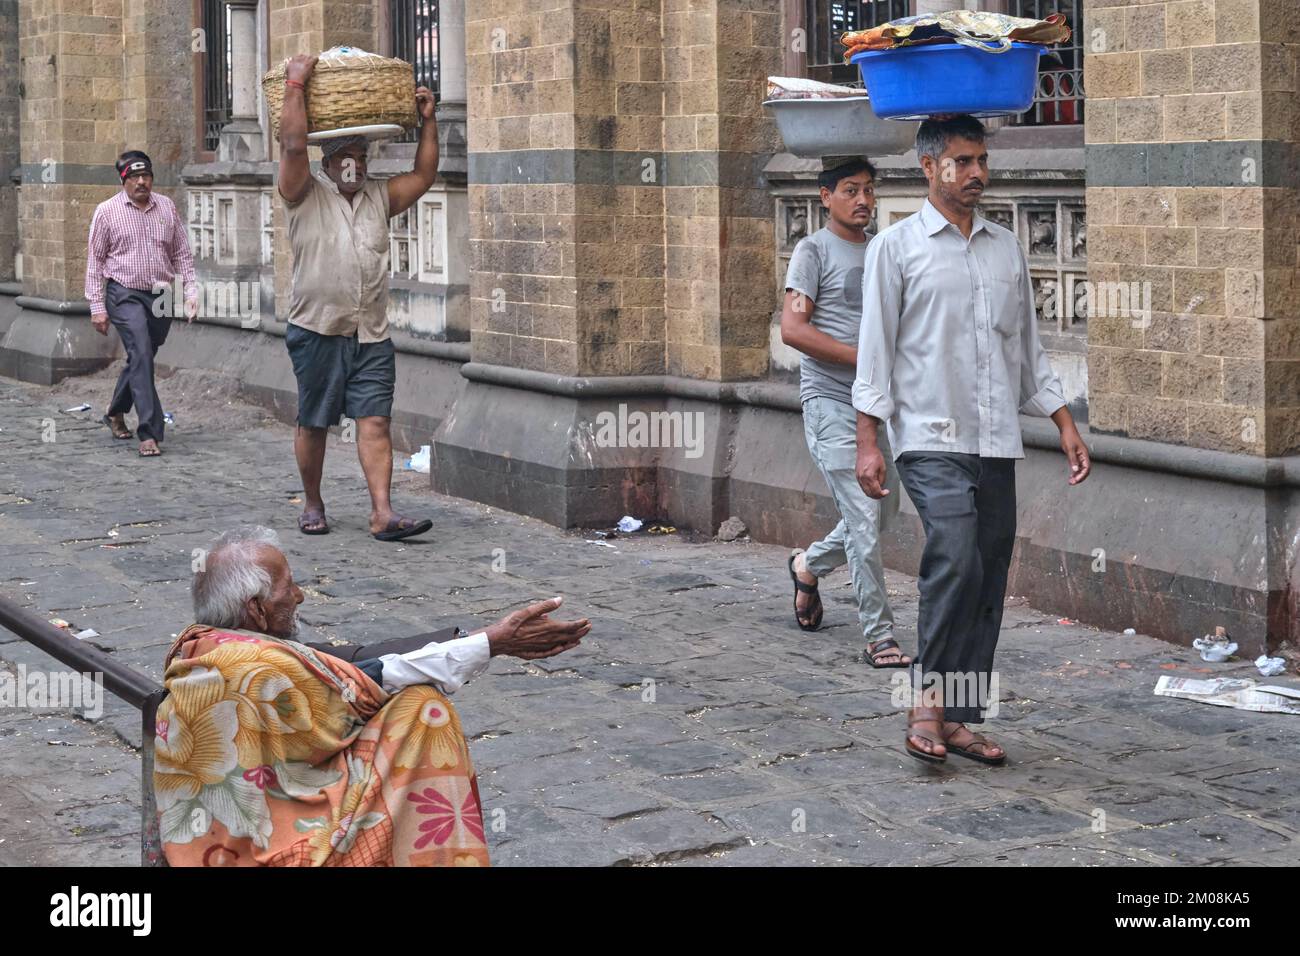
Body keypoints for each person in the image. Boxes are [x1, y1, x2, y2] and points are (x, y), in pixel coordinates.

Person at [853, 115, 1092, 766]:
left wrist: (1063, 422)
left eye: (982, 159)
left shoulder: (1002, 248)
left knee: (986, 574)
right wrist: (867, 439)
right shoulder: (895, 249)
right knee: (954, 555)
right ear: (928, 167)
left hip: (994, 439)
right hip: (928, 433)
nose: (977, 172)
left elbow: (1027, 350)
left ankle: (958, 717)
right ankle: (926, 700)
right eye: (962, 161)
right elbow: (874, 350)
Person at [153, 527, 590, 866]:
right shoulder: (256, 666)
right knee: (423, 711)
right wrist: (489, 644)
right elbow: (366, 680)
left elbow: (353, 660)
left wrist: (479, 638)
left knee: (414, 705)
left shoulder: (212, 644)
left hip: (248, 818)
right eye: (289, 586)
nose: (300, 595)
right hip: (260, 846)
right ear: (255, 608)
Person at [277, 53, 440, 541]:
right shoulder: (302, 191)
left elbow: (425, 176)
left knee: (375, 421)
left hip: (370, 334)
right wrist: (296, 83)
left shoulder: (379, 197)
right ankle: (312, 502)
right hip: (316, 331)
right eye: (346, 156)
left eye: (363, 157)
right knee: (314, 423)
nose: (356, 164)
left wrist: (429, 123)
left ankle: (382, 513)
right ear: (327, 162)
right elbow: (290, 143)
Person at [781, 157, 910, 670]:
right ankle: (880, 636)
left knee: (882, 516)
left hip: (878, 406)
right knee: (862, 517)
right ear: (825, 196)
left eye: (869, 191)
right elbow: (794, 330)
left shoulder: (885, 249)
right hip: (830, 400)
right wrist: (865, 359)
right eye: (851, 190)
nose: (863, 200)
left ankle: (807, 565)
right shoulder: (811, 251)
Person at [85, 150, 198, 458]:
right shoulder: (107, 212)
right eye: (134, 177)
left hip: (161, 295)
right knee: (142, 351)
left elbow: (182, 253)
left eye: (146, 176)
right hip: (124, 293)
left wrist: (191, 292)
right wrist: (97, 305)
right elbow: (95, 262)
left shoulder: (167, 207)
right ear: (124, 180)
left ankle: (114, 411)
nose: (141, 182)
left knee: (142, 356)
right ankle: (149, 432)